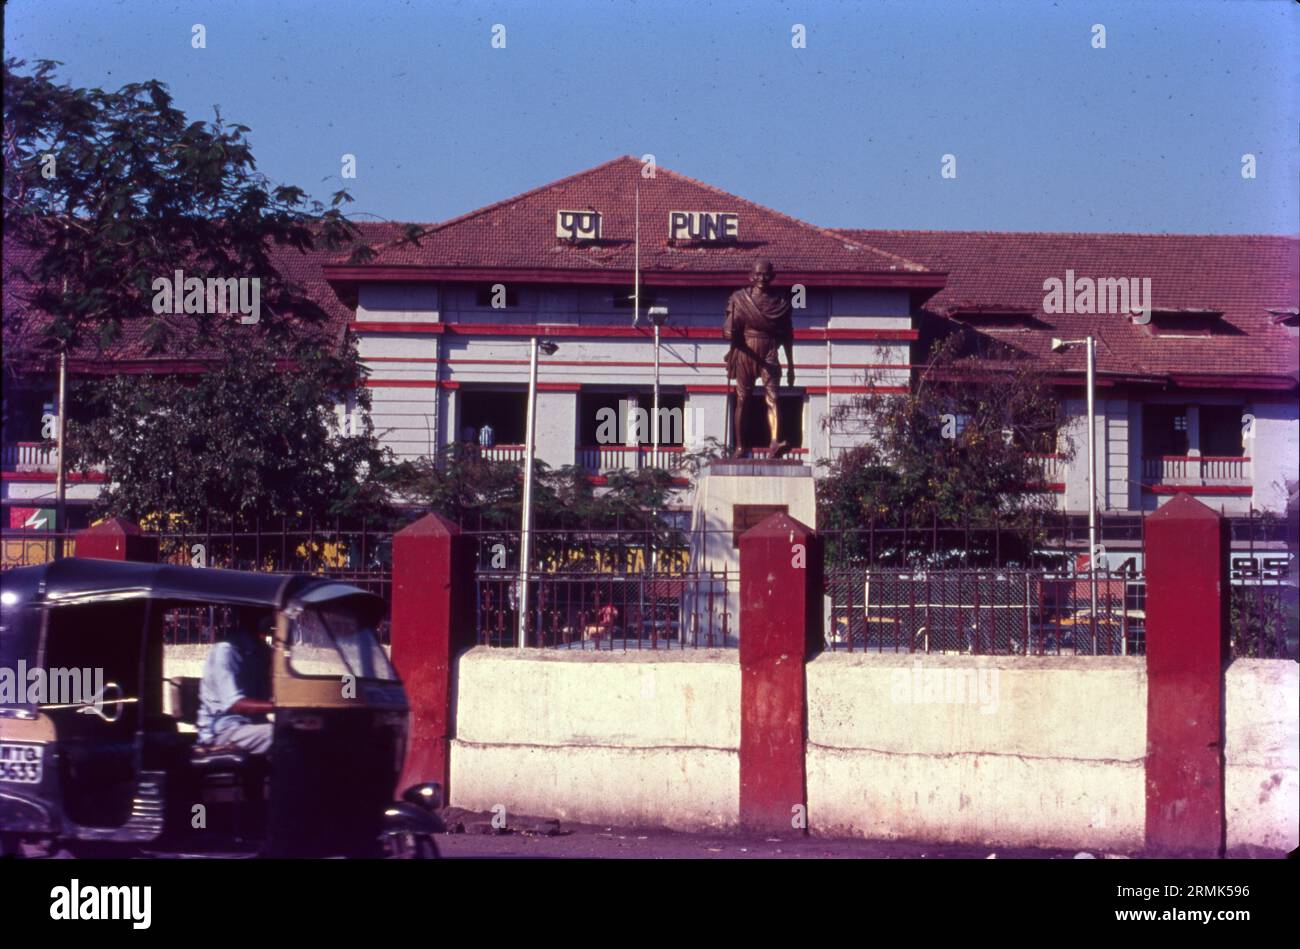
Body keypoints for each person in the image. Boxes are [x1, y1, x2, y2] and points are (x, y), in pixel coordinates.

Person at [723, 259, 794, 457]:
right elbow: (730, 326)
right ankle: (739, 446)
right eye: (758, 274)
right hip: (746, 351)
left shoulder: (780, 303)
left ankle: (774, 442)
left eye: (766, 274)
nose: (761, 278)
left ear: (772, 277)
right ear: (751, 276)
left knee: (773, 398)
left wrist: (791, 366)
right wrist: (729, 332)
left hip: (769, 351)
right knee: (742, 400)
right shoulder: (738, 299)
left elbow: (787, 335)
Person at [197, 608, 274, 754]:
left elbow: (268, 691)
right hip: (222, 731)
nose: (273, 620)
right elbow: (235, 704)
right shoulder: (225, 651)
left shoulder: (261, 650)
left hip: (248, 726)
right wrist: (280, 706)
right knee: (278, 736)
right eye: (269, 614)